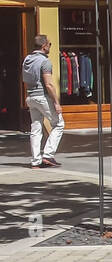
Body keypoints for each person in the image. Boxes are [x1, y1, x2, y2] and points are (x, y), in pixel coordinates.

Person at [22, 34, 64, 168]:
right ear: (44, 45)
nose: (50, 47)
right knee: (58, 124)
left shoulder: (27, 59)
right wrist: (56, 103)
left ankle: (35, 161)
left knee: (36, 127)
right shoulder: (45, 61)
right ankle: (48, 155)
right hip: (42, 97)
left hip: (30, 97)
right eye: (49, 44)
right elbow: (49, 84)